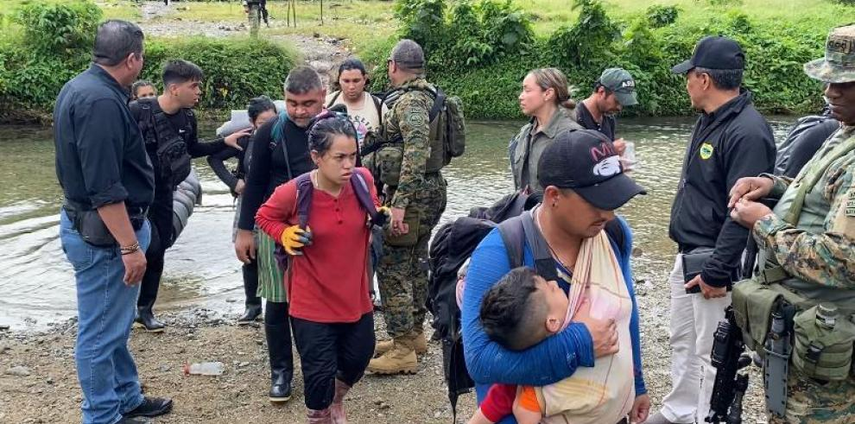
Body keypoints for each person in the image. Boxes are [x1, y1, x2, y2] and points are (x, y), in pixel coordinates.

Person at [462, 130, 649, 424]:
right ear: (553, 196)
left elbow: (626, 312)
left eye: (614, 200)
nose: (609, 214)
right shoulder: (501, 250)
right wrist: (580, 342)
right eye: (597, 201)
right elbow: (480, 361)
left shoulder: (613, 234)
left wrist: (637, 383)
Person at [729, 24, 855, 424]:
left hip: (829, 347)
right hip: (804, 331)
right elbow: (824, 197)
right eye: (828, 82)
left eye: (845, 84)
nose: (830, 93)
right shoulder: (843, 133)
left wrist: (765, 225)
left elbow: (843, 260)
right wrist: (774, 185)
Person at [647, 36, 777, 424]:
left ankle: (708, 417)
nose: (685, 81)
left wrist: (719, 269)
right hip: (687, 253)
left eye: (689, 74)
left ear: (703, 79)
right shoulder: (709, 120)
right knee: (681, 338)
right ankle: (679, 409)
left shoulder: (747, 132)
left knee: (712, 350)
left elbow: (745, 210)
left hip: (716, 259)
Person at [54, 20, 172, 424]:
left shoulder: (81, 86)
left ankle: (125, 396)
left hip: (91, 225)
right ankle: (103, 415)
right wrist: (129, 246)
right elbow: (104, 186)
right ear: (133, 59)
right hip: (104, 237)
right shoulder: (101, 103)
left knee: (114, 322)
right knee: (100, 332)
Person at [256, 113, 382, 423]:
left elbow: (373, 207)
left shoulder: (363, 180)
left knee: (360, 355)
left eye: (353, 155)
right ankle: (320, 414)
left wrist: (381, 213)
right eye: (339, 157)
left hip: (355, 293)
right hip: (311, 298)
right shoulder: (296, 191)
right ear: (316, 157)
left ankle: (336, 399)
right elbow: (264, 216)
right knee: (318, 373)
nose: (348, 165)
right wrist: (285, 234)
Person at [129, 60, 246, 333]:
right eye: (194, 86)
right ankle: (123, 305)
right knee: (133, 248)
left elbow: (191, 149)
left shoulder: (188, 118)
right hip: (135, 195)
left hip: (165, 193)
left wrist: (222, 143)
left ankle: (145, 310)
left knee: (158, 250)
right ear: (173, 88)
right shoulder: (137, 111)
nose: (198, 92)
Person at [235, 66, 326, 402]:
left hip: (322, 229)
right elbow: (255, 183)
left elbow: (351, 175)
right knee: (276, 303)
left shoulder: (333, 127)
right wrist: (245, 231)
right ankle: (281, 372)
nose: (300, 111)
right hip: (275, 227)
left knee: (317, 304)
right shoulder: (269, 131)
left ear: (322, 96)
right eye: (292, 103)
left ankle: (318, 368)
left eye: (307, 103)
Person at [366, 39, 448, 375]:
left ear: (393, 65)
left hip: (411, 195)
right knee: (415, 262)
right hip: (430, 190)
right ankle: (413, 335)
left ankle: (402, 348)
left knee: (392, 265)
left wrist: (399, 204)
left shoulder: (410, 101)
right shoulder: (431, 95)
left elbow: (416, 150)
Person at [207, 96, 278, 324]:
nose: (268, 127)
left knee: (279, 254)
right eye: (262, 123)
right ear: (252, 122)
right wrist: (234, 183)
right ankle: (253, 306)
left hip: (276, 203)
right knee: (250, 255)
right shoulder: (246, 141)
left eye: (272, 121)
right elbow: (214, 159)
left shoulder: (283, 138)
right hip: (250, 203)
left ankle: (279, 304)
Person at [508, 68, 582, 193]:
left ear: (548, 94)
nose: (521, 96)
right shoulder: (524, 133)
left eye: (527, 90)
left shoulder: (573, 137)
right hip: (527, 211)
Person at [574, 67, 638, 160]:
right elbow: (574, 159)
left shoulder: (609, 119)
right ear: (601, 91)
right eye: (616, 101)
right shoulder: (575, 118)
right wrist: (609, 150)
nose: (619, 108)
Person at [325, 58, 388, 148]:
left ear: (364, 79)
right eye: (346, 81)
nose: (351, 86)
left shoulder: (379, 106)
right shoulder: (327, 103)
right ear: (339, 80)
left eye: (356, 81)